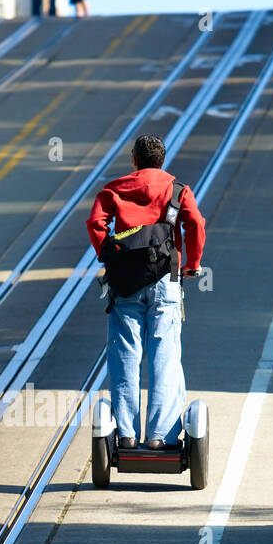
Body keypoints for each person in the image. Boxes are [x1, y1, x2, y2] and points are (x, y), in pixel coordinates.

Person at [86, 135, 206, 449]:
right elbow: (195, 223)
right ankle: (159, 437)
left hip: (125, 282)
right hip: (166, 280)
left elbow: (96, 221)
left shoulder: (114, 189)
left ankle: (125, 434)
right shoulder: (178, 190)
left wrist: (108, 252)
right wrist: (192, 264)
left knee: (125, 354)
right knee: (164, 356)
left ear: (134, 159)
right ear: (162, 160)